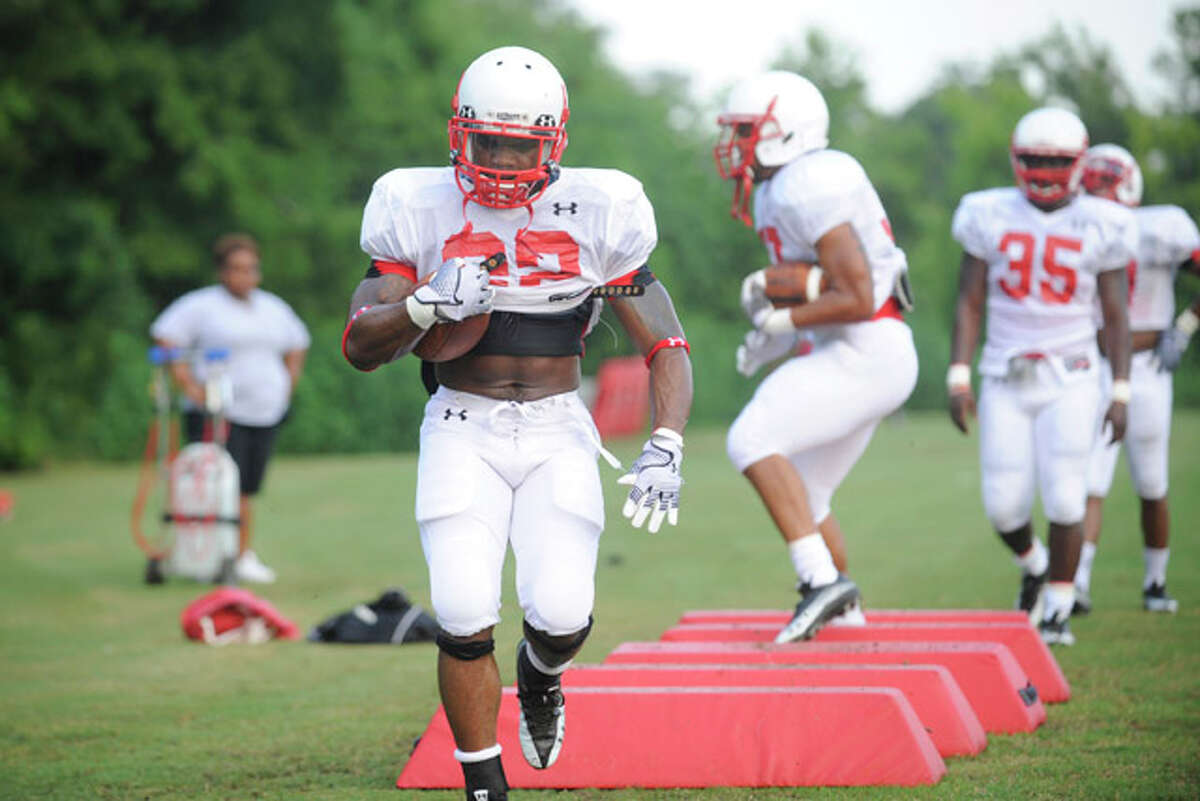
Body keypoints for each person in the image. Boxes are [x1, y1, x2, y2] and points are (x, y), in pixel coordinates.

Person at [342, 46, 692, 801]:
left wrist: (667, 441)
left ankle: (540, 673)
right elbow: (361, 345)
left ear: (554, 143)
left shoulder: (603, 207)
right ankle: (483, 784)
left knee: (561, 614)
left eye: (518, 147)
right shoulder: (414, 201)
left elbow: (665, 342)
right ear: (458, 133)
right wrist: (424, 304)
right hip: (460, 424)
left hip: (557, 426)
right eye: (487, 142)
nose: (500, 163)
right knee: (462, 609)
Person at [713, 71, 918, 644]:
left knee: (751, 438)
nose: (736, 144)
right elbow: (815, 286)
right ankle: (846, 620)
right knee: (809, 493)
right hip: (856, 347)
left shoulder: (810, 181)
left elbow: (856, 296)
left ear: (788, 132)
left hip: (868, 346)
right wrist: (776, 335)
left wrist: (783, 321)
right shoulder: (776, 188)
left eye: (748, 131)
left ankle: (821, 581)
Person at [947, 107, 1135, 646]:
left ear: (1078, 163)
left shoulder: (1103, 221)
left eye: (1054, 160)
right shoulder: (987, 212)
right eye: (1033, 159)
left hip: (1072, 373)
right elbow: (970, 300)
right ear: (1015, 158)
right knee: (1003, 504)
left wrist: (1120, 390)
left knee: (1066, 495)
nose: (1043, 170)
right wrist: (959, 374)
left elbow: (1116, 315)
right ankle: (1035, 565)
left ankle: (1057, 607)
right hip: (1005, 373)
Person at [1074, 143, 1200, 615]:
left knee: (1152, 481)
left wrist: (1184, 328)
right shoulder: (1075, 229)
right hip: (1094, 366)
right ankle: (1077, 583)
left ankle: (1155, 582)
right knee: (1090, 479)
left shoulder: (1160, 228)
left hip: (1147, 368)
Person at [150, 233, 310, 584]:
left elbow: (298, 342)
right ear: (222, 271)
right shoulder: (201, 305)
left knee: (247, 488)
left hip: (264, 412)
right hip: (218, 412)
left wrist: (288, 383)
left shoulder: (272, 307)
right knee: (221, 485)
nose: (245, 275)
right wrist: (188, 385)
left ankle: (238, 554)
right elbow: (167, 336)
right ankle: (214, 556)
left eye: (251, 268)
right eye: (237, 268)